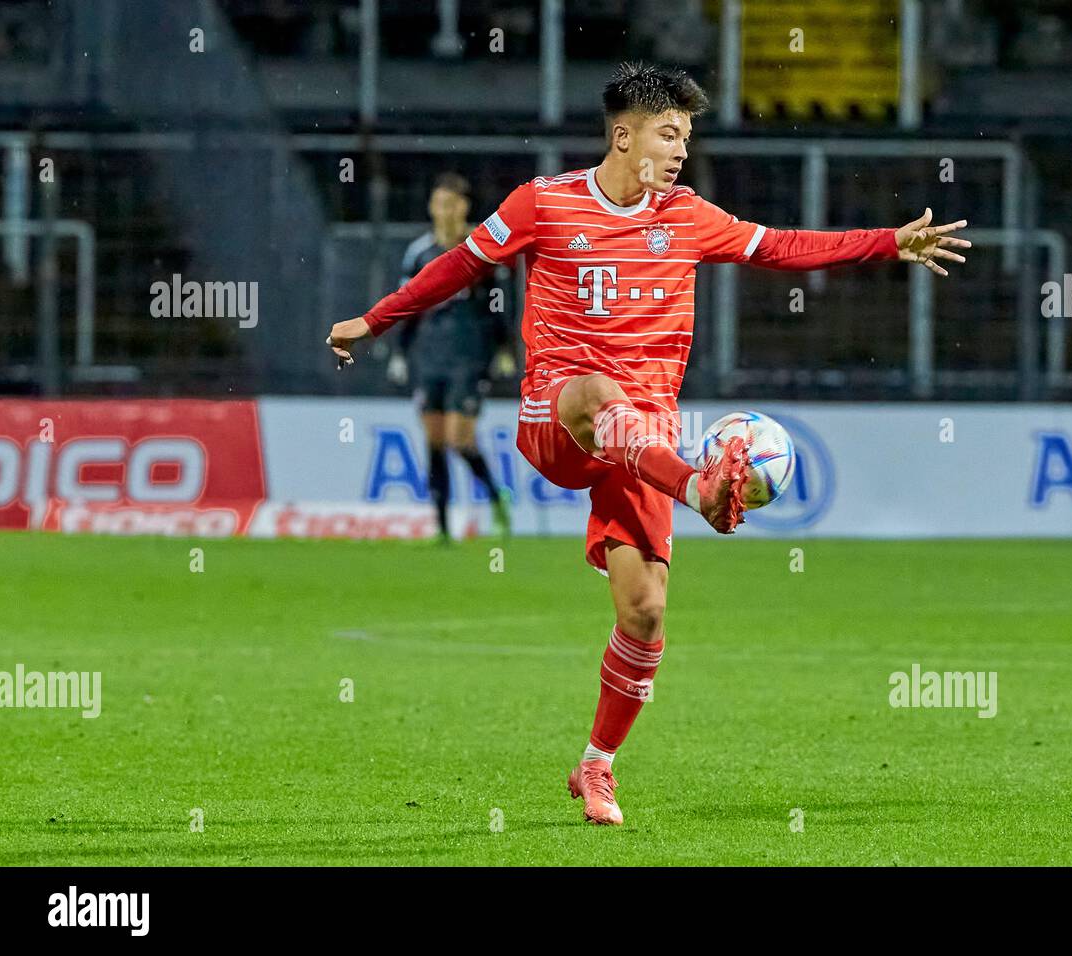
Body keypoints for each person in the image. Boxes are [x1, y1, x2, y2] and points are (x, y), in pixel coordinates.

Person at [327, 61, 971, 826]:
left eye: (686, 138)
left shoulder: (688, 217)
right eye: (669, 134)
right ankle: (699, 487)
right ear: (624, 136)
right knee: (599, 393)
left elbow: (781, 247)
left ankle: (596, 765)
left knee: (645, 612)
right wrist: (375, 321)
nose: (680, 151)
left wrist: (888, 241)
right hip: (559, 419)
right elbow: (460, 265)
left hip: (646, 441)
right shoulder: (544, 204)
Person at [386, 172, 515, 542]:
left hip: (470, 355)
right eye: (439, 203)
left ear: (463, 208)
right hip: (429, 354)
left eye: (451, 204)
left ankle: (496, 497)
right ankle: (441, 526)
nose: (444, 211)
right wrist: (400, 351)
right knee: (434, 439)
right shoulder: (419, 253)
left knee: (460, 438)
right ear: (431, 207)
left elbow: (500, 305)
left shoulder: (482, 249)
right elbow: (406, 304)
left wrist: (504, 348)